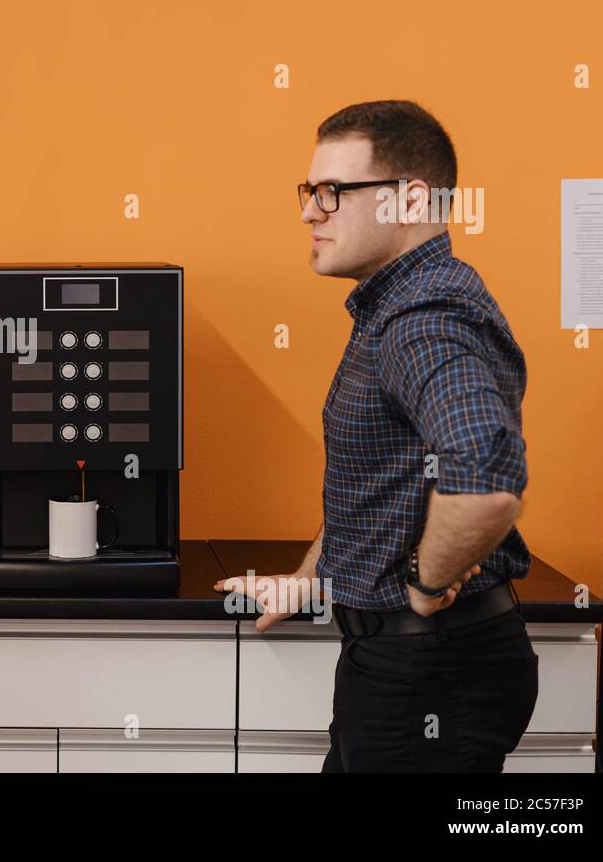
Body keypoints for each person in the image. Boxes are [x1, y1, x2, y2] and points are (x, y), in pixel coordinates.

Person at [217, 100, 537, 772]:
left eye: (334, 192)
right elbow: (383, 483)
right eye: (310, 192)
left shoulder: (423, 317)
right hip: (401, 663)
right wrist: (310, 581)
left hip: (430, 670)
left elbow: (484, 482)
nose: (310, 211)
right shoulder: (394, 305)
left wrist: (424, 587)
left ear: (410, 200)